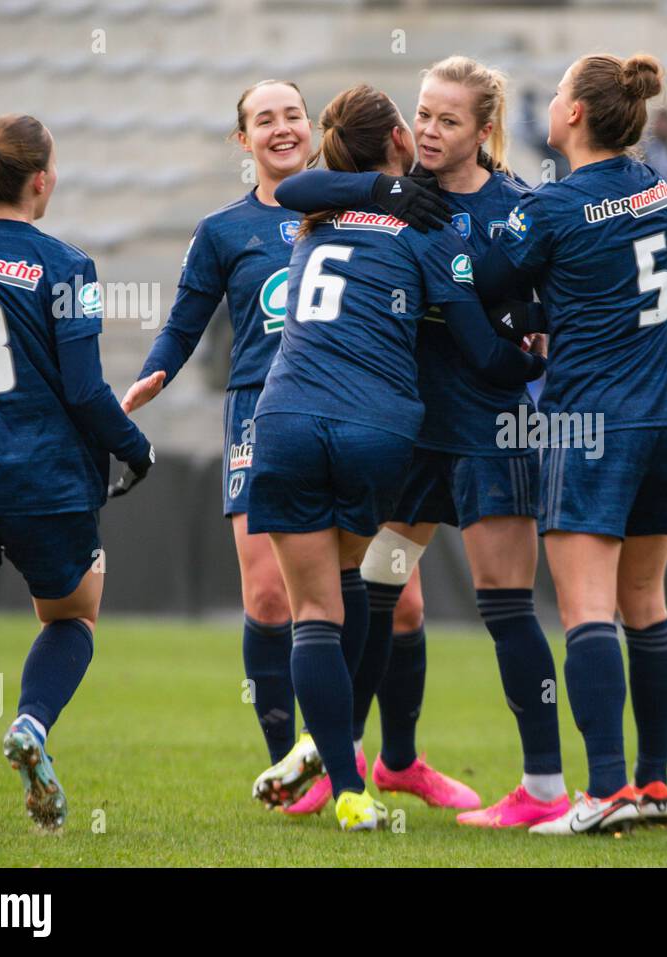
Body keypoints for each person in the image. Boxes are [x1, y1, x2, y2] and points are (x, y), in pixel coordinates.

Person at [117, 80, 438, 809]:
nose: (282, 128)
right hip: (264, 411)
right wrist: (151, 376)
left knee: (400, 596)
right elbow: (185, 319)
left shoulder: (350, 207)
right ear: (243, 140)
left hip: (360, 410)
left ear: (313, 126)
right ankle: (291, 762)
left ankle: (377, 753)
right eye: (264, 120)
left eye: (293, 114)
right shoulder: (225, 229)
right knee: (268, 595)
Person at [274, 56, 567, 827]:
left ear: (485, 130)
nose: (430, 132)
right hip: (410, 441)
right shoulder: (406, 199)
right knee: (374, 591)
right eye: (424, 115)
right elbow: (297, 190)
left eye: (449, 120)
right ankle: (351, 765)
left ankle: (543, 787)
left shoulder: (518, 207)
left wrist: (530, 326)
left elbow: (542, 303)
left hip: (489, 435)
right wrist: (385, 186)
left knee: (504, 605)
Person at [0, 114, 154, 829]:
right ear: (41, 180)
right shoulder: (69, 267)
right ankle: (33, 723)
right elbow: (84, 391)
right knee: (72, 615)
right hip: (48, 485)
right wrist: (136, 450)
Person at [472, 53, 667, 836]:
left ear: (571, 115)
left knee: (587, 609)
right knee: (647, 603)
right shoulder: (656, 185)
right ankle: (653, 783)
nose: (554, 99)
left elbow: (490, 277)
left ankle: (600, 791)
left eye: (561, 90)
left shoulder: (556, 208)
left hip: (592, 419)